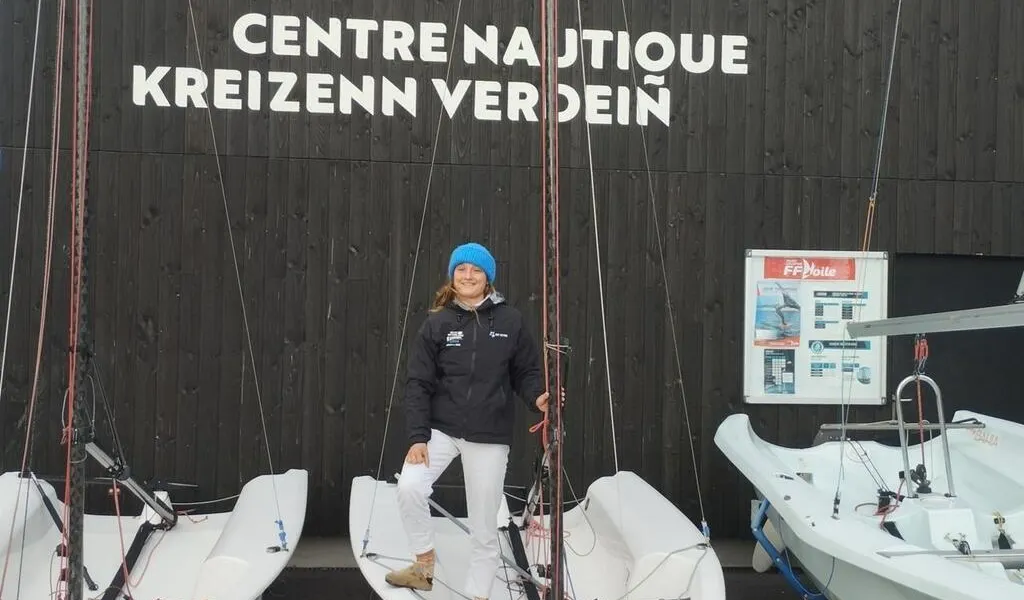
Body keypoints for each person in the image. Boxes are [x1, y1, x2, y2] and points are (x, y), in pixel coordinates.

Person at [384, 242, 550, 600]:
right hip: (441, 431)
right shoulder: (438, 322)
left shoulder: (511, 321)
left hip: (489, 436)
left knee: (484, 526)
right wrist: (417, 437)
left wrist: (538, 398)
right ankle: (423, 566)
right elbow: (418, 383)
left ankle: (478, 594)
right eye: (461, 269)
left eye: (476, 270)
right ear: (452, 275)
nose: (468, 275)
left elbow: (527, 372)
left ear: (488, 277)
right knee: (410, 487)